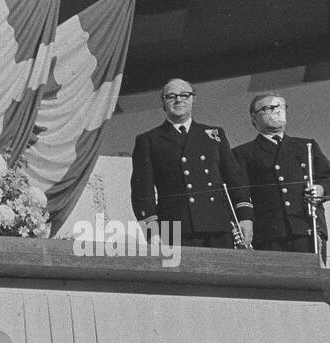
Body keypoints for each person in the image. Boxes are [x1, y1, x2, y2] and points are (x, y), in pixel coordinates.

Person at [131, 78, 253, 249]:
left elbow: (235, 180)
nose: (178, 100)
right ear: (163, 103)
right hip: (174, 227)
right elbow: (142, 191)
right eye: (171, 96)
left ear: (193, 99)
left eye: (184, 95)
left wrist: (245, 216)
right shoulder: (149, 140)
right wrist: (152, 231)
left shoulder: (213, 135)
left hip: (218, 224)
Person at [231, 92, 329, 256]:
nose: (277, 110)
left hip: (307, 228)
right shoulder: (244, 153)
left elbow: (328, 178)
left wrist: (321, 189)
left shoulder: (306, 146)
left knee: (310, 280)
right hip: (270, 233)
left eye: (281, 106)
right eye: (269, 108)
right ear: (254, 118)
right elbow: (241, 193)